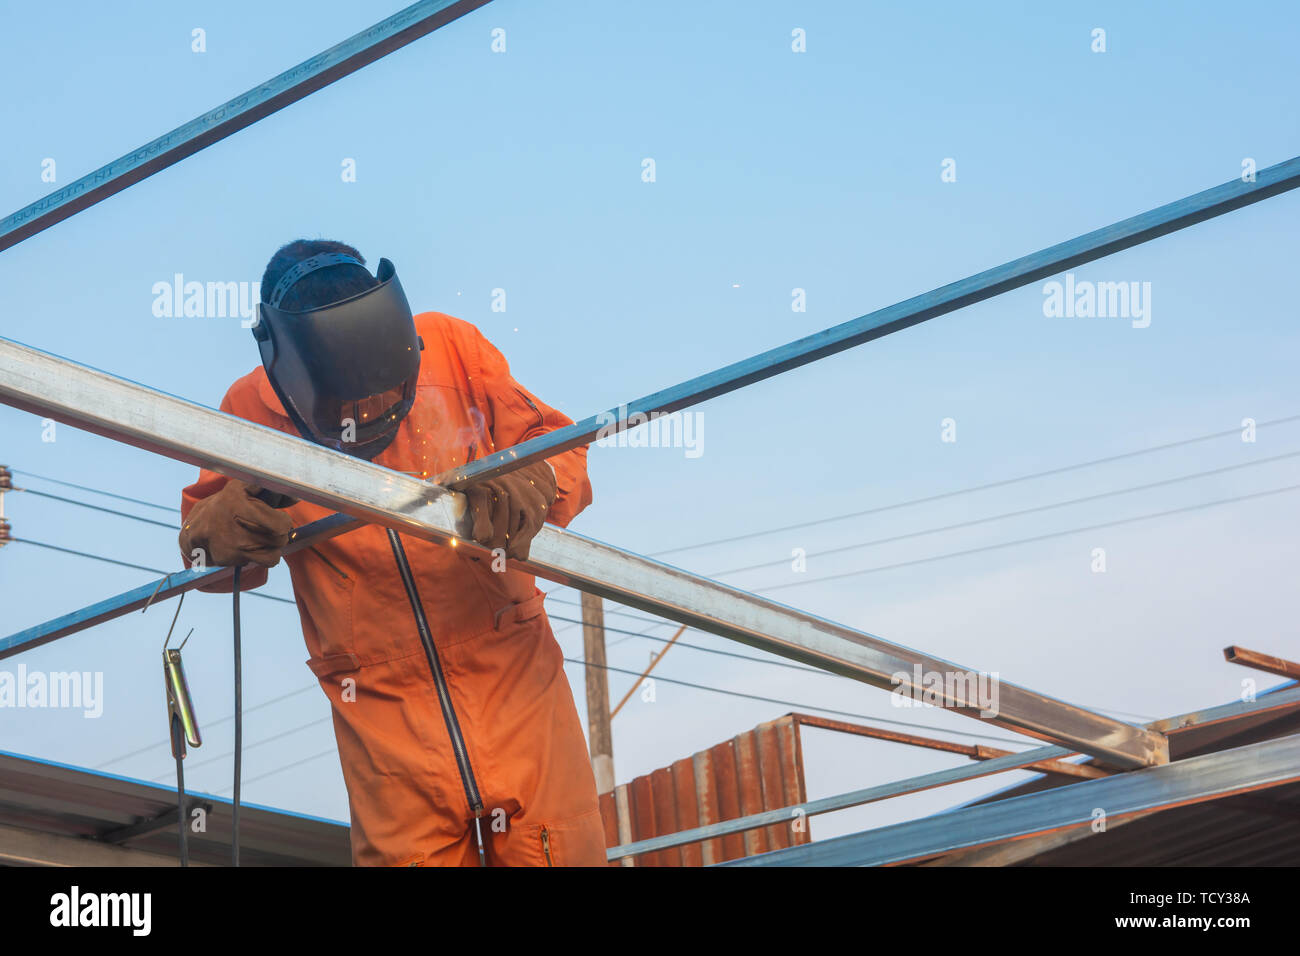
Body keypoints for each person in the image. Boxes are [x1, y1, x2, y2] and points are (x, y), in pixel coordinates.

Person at [178, 239, 606, 866]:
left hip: (513, 672)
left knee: (559, 853)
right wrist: (228, 523)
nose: (369, 414)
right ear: (288, 366)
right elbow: (201, 555)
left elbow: (561, 446)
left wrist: (531, 478)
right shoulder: (249, 409)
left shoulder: (451, 345)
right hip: (379, 708)